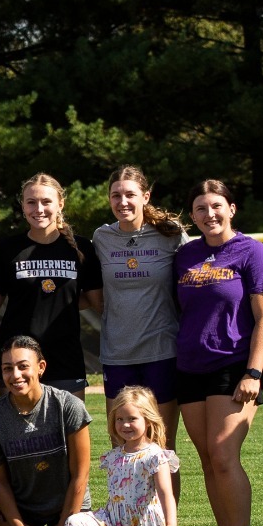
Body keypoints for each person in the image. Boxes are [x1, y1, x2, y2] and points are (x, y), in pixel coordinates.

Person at [173, 181, 263, 526]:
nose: (209, 214)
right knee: (208, 460)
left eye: (216, 206)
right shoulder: (186, 255)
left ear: (232, 208)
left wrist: (255, 371)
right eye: (200, 208)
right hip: (190, 367)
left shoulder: (253, 252)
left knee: (223, 455)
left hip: (233, 366)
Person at [0, 337, 93, 526]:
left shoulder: (68, 406)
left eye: (23, 366)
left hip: (68, 509)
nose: (15, 375)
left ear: (40, 367)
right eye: (7, 368)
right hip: (24, 510)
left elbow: (80, 476)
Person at [60, 387, 188, 526]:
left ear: (148, 420)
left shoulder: (155, 456)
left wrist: (171, 525)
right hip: (115, 524)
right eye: (120, 419)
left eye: (132, 419)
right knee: (74, 523)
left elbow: (166, 493)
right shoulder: (113, 457)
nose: (125, 424)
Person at [91, 166, 186, 443]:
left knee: (162, 445)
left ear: (146, 196)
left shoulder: (170, 235)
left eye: (130, 195)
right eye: (115, 195)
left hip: (162, 351)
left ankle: (166, 491)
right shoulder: (102, 238)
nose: (122, 202)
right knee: (122, 445)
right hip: (118, 354)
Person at [0, 173, 98, 399]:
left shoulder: (82, 248)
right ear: (23, 206)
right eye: (31, 202)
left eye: (46, 201)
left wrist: (61, 302)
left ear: (60, 204)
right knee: (14, 432)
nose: (39, 208)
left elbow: (95, 300)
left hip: (65, 357)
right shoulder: (8, 248)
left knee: (68, 431)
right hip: (16, 358)